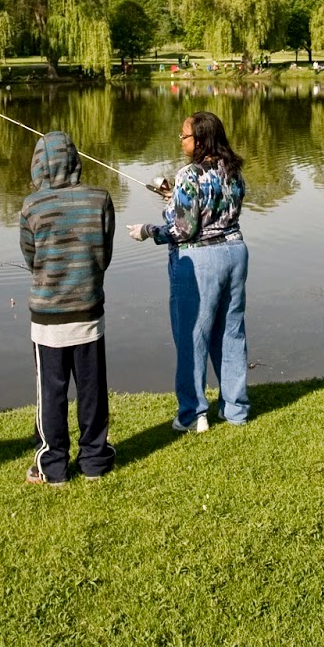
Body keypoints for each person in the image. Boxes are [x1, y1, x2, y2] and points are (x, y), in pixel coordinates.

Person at [126, 111, 249, 433]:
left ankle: (193, 414)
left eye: (184, 136)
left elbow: (184, 230)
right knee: (231, 333)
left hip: (201, 260)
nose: (181, 141)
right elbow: (215, 210)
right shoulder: (233, 170)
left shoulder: (189, 174)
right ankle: (235, 410)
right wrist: (173, 199)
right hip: (235, 253)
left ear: (201, 140)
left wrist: (148, 231)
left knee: (192, 336)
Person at [19, 131, 115, 485]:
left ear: (39, 165)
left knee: (51, 393)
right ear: (75, 160)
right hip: (89, 311)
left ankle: (53, 466)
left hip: (48, 318)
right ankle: (94, 460)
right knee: (92, 390)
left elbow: (31, 258)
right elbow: (103, 254)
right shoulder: (100, 199)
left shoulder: (32, 206)